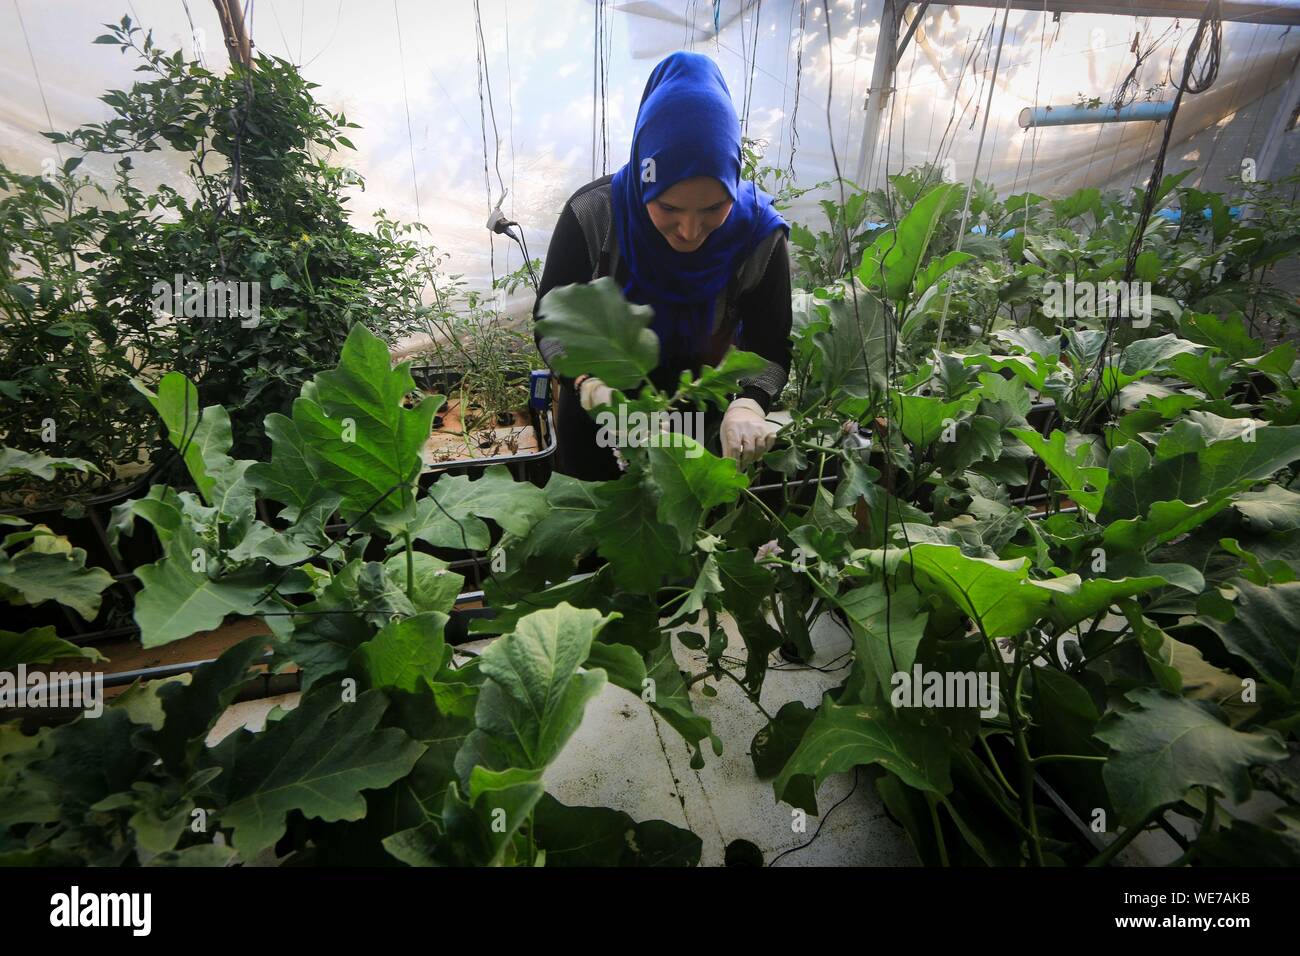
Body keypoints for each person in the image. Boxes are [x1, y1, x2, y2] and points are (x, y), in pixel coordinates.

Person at [533, 51, 793, 482]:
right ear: (643, 175)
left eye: (714, 208)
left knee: (685, 525)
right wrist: (587, 384)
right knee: (598, 523)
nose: (690, 231)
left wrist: (750, 403)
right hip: (602, 416)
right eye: (668, 207)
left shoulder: (759, 236)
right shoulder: (596, 215)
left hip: (699, 415)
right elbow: (551, 322)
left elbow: (770, 345)